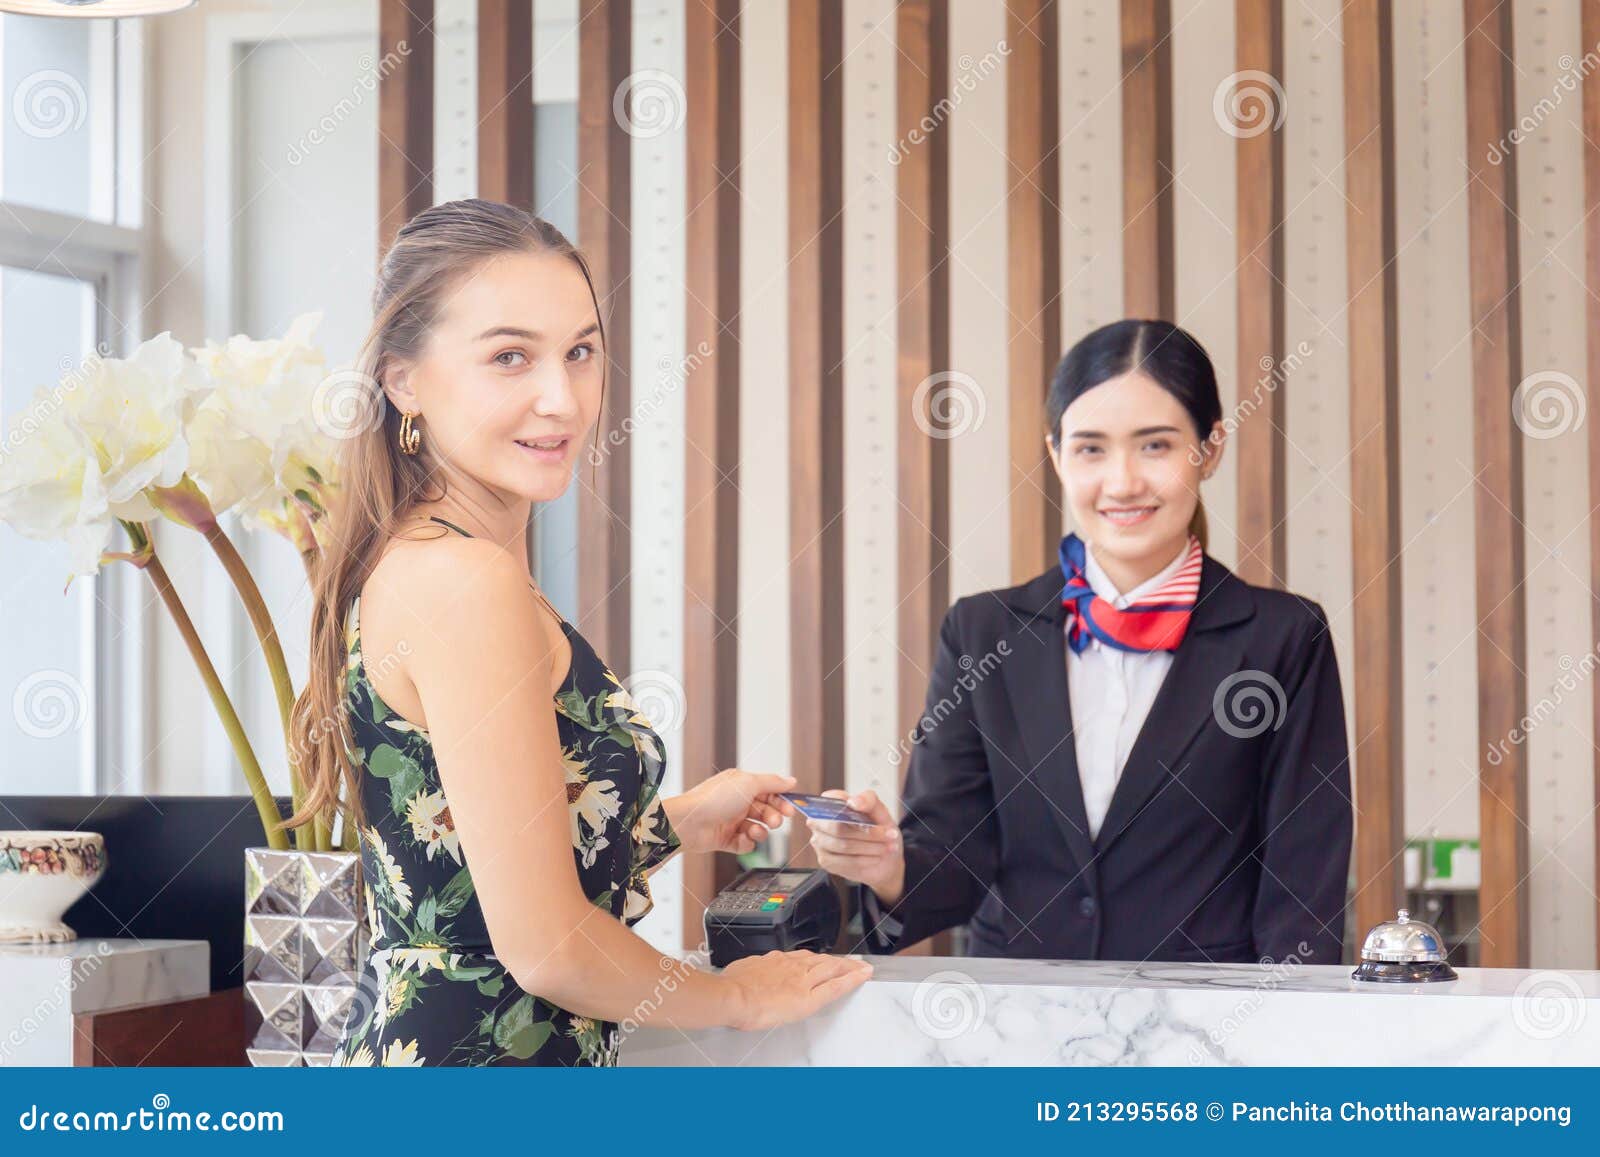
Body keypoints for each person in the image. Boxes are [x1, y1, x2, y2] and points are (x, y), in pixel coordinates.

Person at [284, 199, 870, 1066]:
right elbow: (547, 947)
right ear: (404, 380)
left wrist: (677, 822)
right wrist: (741, 997)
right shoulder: (465, 580)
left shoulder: (421, 557)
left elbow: (462, 868)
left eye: (581, 352)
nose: (561, 399)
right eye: (509, 356)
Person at [799, 318, 1353, 966]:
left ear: (1210, 449)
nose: (1122, 483)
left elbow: (1302, 890)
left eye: (1155, 445)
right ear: (1057, 455)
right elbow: (953, 864)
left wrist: (1276, 1026)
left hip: (1204, 1022)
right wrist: (888, 863)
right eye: (1091, 449)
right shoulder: (982, 633)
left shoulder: (1284, 639)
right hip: (1017, 1020)